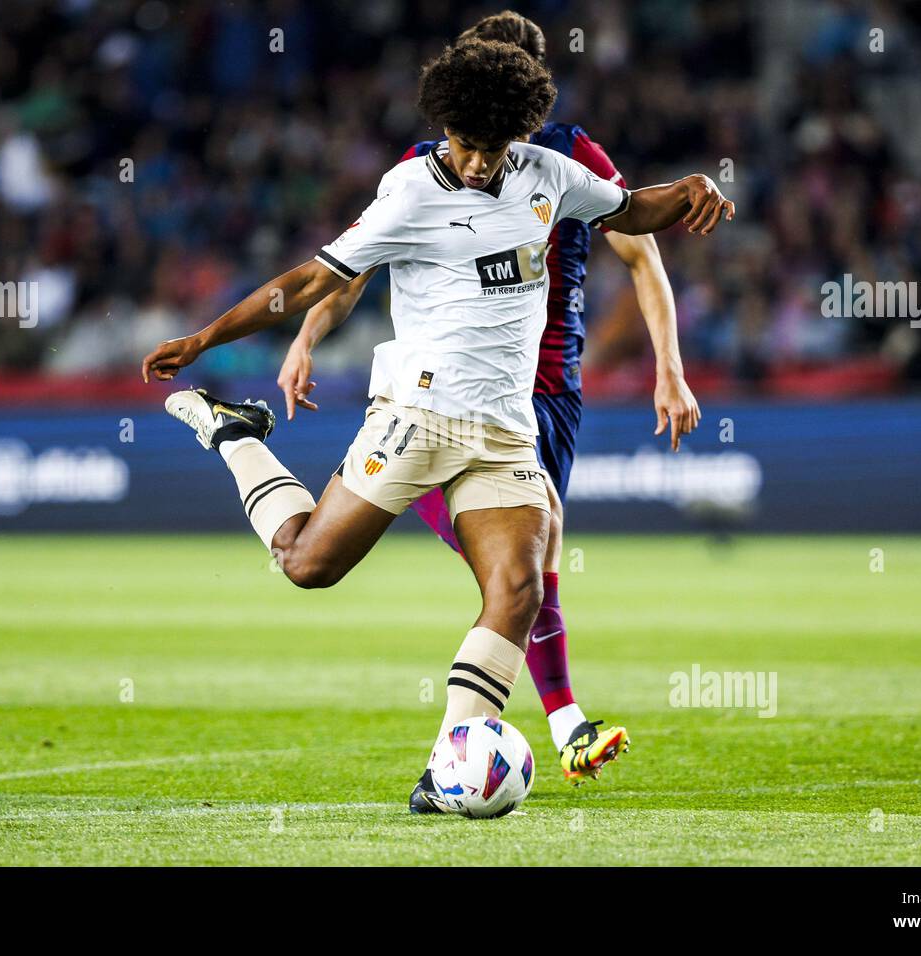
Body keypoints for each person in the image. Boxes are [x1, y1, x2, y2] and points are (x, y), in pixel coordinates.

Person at [141, 38, 734, 813]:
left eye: (495, 147)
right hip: (415, 418)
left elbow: (632, 213)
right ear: (445, 126)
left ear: (519, 131)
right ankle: (234, 433)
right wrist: (204, 340)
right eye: (468, 144)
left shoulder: (549, 174)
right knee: (306, 565)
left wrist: (688, 188)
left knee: (518, 587)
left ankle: (451, 762)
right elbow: (309, 280)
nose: (482, 162)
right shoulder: (408, 192)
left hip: (504, 432)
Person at [275, 11, 701, 783]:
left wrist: (670, 366)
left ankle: (503, 738)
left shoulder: (569, 156)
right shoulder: (425, 164)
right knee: (519, 569)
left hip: (543, 390)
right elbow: (350, 267)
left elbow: (642, 253)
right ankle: (550, 723)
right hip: (442, 391)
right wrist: (306, 334)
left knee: (526, 568)